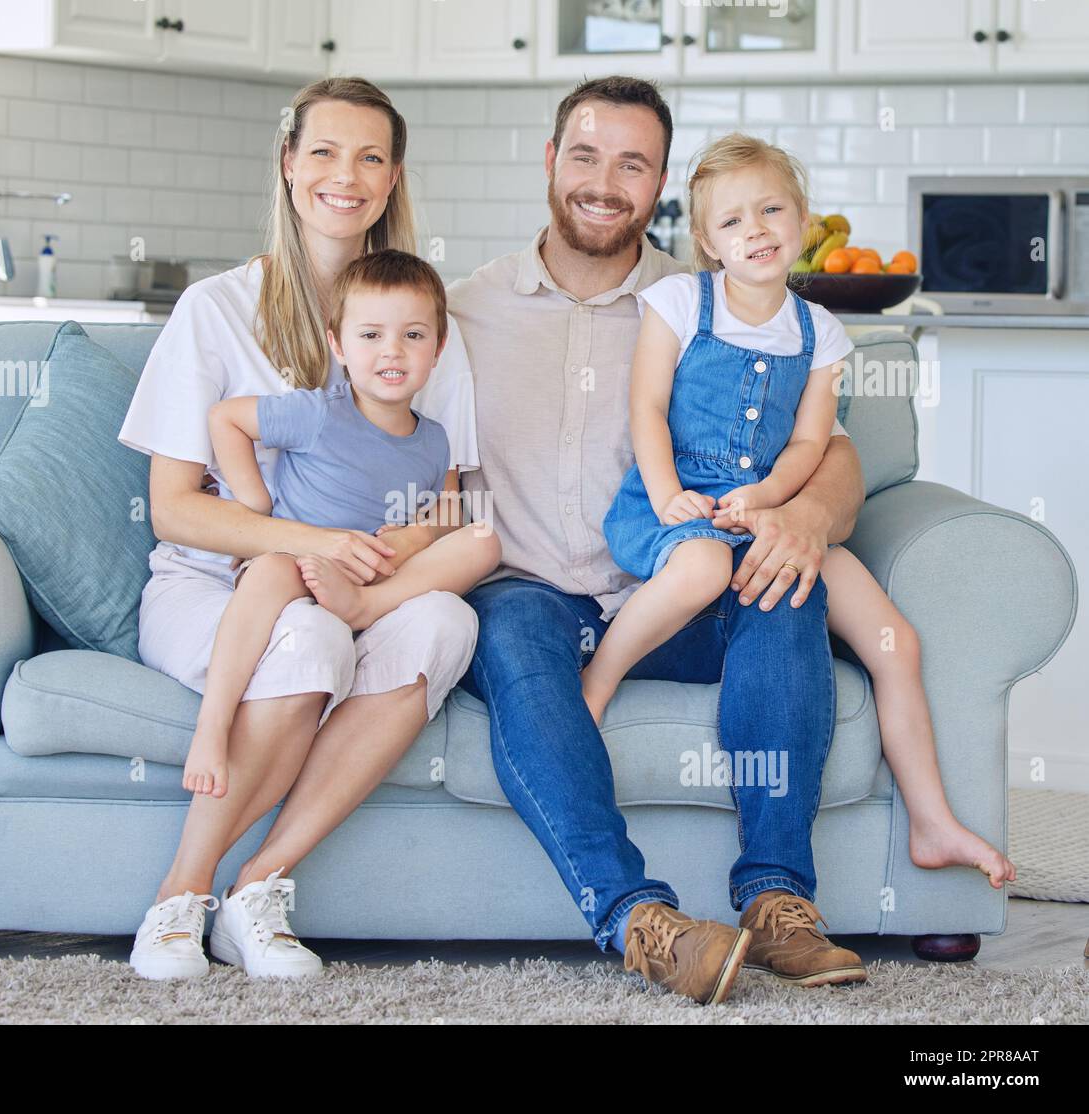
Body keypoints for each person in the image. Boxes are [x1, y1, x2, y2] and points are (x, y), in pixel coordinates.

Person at [449, 77, 868, 1004]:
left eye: (632, 164)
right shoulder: (464, 310)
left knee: (785, 589)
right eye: (586, 156)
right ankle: (643, 921)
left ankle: (777, 902)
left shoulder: (714, 299)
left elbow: (831, 447)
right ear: (550, 161)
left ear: (661, 183)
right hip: (535, 597)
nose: (606, 182)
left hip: (681, 586)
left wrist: (803, 518)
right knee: (515, 633)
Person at [581, 132, 1014, 895]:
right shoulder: (682, 302)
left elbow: (814, 440)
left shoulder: (821, 333)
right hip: (675, 503)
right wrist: (665, 497)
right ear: (707, 242)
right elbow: (645, 408)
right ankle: (598, 679)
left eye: (772, 209)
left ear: (804, 218)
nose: (756, 230)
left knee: (894, 639)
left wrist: (770, 499)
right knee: (704, 564)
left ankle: (931, 819)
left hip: (767, 513)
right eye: (733, 221)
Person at [118, 78, 481, 981]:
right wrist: (306, 545)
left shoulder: (423, 322)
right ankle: (179, 896)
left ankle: (260, 886)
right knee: (309, 635)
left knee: (448, 622)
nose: (344, 176)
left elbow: (455, 502)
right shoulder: (214, 311)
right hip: (211, 586)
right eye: (322, 152)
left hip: (358, 579)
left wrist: (378, 561)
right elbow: (174, 507)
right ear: (288, 165)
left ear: (393, 179)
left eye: (369, 157)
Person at [184, 250, 501, 798]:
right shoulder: (318, 411)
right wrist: (255, 503)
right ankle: (213, 727)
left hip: (376, 579)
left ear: (438, 348)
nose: (392, 352)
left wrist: (417, 536)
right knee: (267, 575)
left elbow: (448, 508)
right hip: (300, 567)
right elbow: (226, 419)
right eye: (371, 335)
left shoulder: (434, 437)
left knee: (483, 538)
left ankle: (364, 611)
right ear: (339, 345)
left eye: (414, 336)